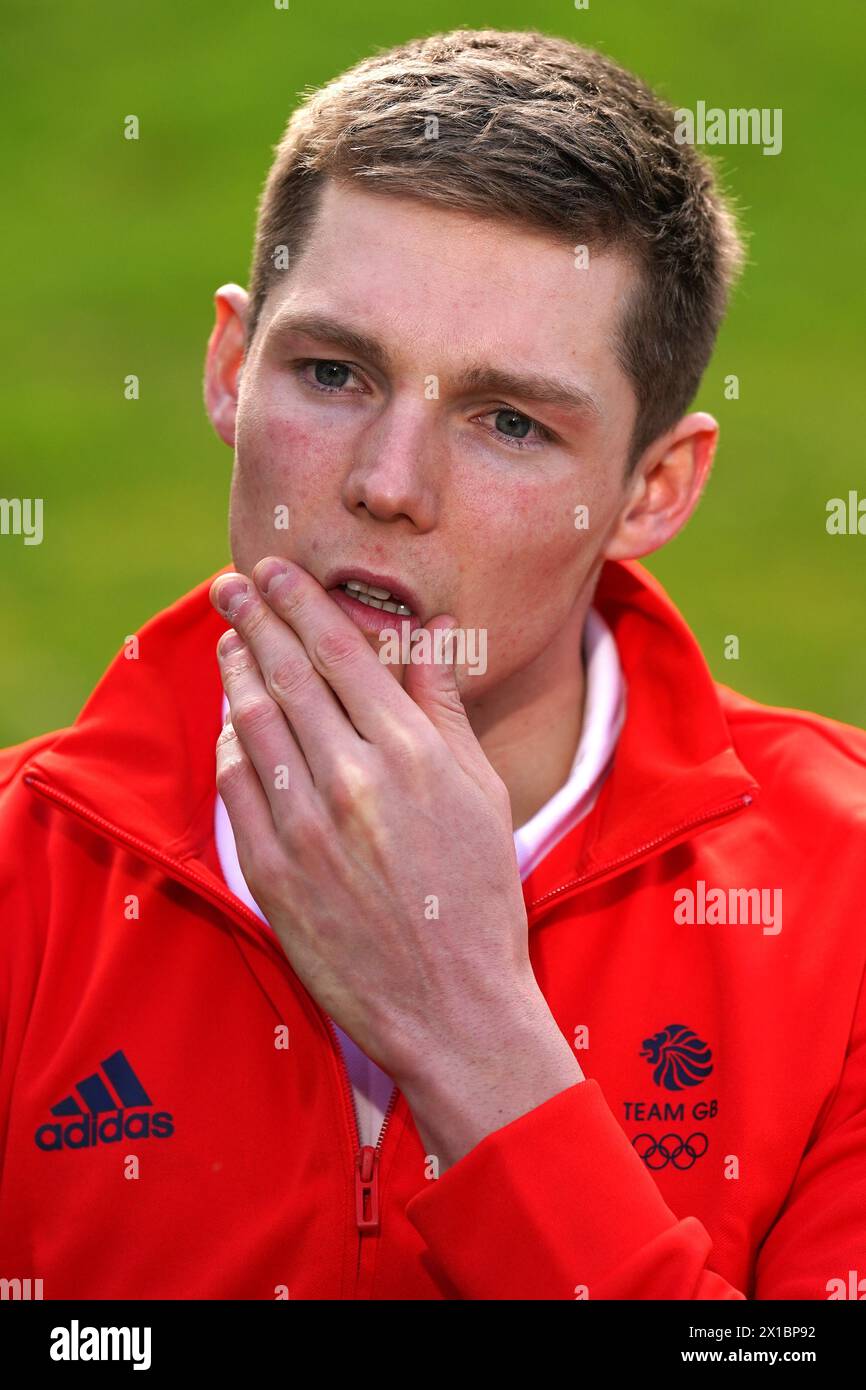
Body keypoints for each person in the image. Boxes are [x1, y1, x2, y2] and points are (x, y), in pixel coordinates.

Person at [1, 27, 864, 1302]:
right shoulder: (27, 878)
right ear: (233, 372)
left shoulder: (842, 903)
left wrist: (471, 1040)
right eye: (333, 373)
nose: (386, 484)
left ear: (651, 488)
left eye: (508, 421)